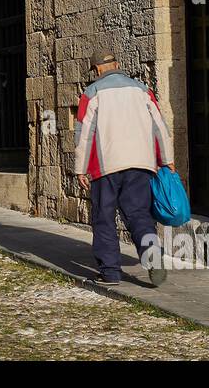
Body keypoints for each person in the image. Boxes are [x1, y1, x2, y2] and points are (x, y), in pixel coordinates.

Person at [74, 49, 174, 287]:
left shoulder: (92, 92)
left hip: (106, 165)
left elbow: (84, 133)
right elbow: (159, 126)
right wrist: (166, 158)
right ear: (118, 64)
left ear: (97, 70)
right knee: (139, 215)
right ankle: (153, 258)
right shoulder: (142, 90)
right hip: (141, 163)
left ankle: (110, 272)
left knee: (104, 217)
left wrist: (80, 168)